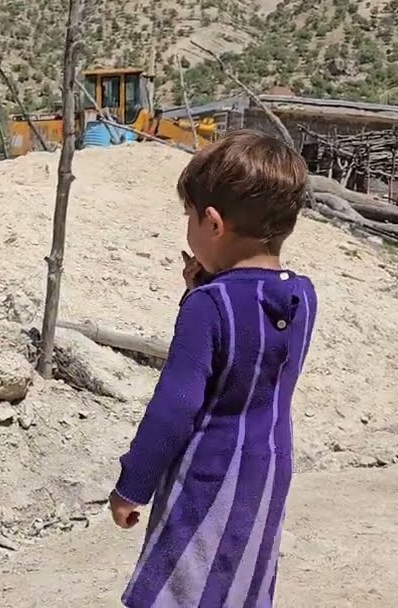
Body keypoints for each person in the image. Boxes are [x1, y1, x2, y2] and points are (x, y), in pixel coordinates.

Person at [108, 130, 318, 607]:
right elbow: (254, 360)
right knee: (238, 582)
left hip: (210, 471)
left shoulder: (210, 305)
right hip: (267, 469)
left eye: (189, 216)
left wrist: (132, 485)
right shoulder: (302, 295)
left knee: (180, 587)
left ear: (213, 223)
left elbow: (175, 407)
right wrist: (206, 286)